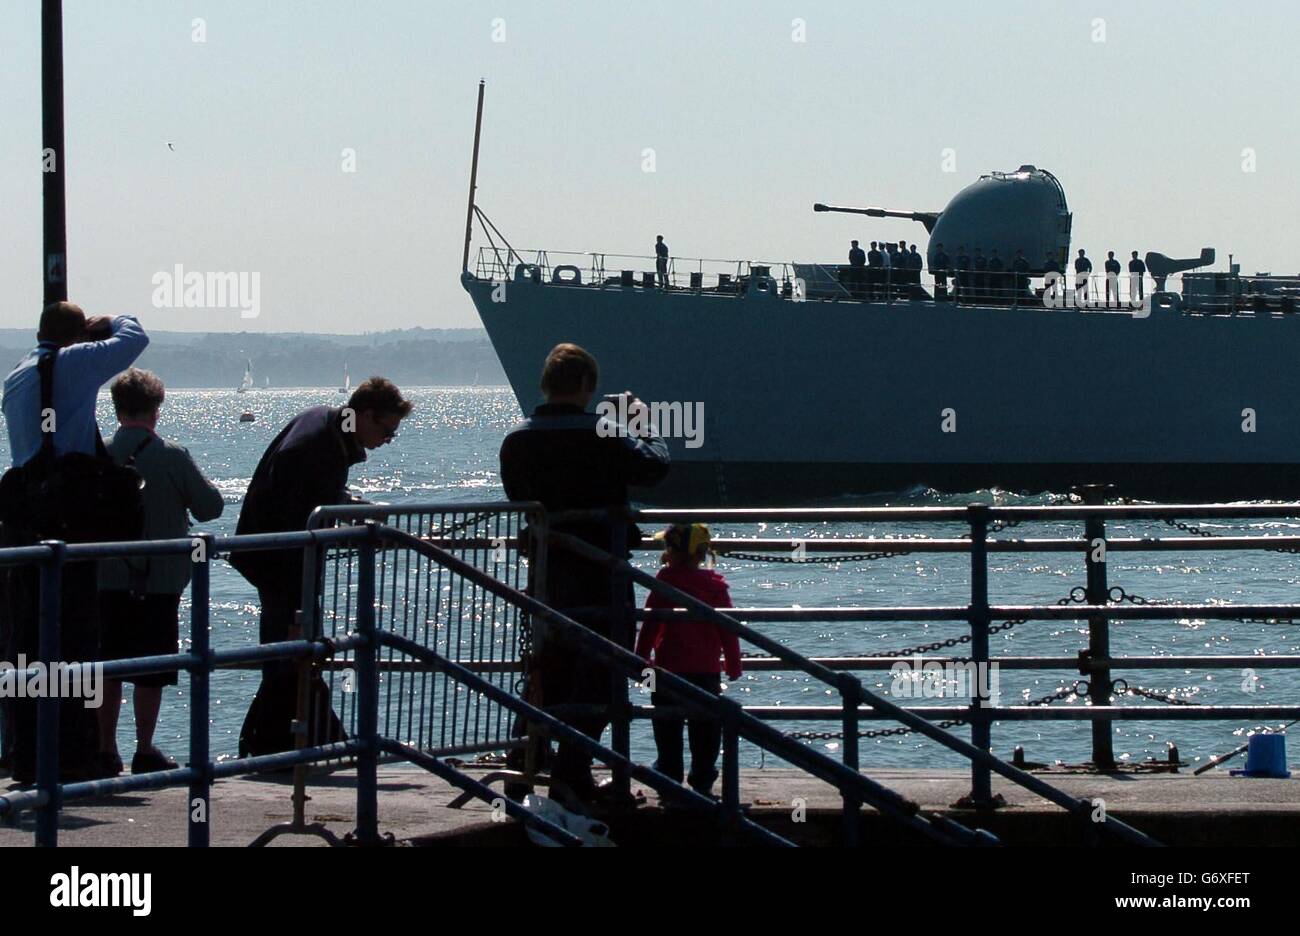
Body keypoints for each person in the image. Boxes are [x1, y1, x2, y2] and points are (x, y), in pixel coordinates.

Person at [499, 343, 669, 803]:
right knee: (604, 668)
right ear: (588, 387)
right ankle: (573, 769)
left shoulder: (517, 440)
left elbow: (519, 498)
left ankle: (526, 756)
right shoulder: (607, 434)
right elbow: (655, 466)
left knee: (549, 666)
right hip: (601, 570)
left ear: (545, 384)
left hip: (548, 574)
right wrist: (642, 425)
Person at [0, 303, 148, 783]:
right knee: (78, 634)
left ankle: (28, 750)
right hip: (72, 516)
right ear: (76, 337)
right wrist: (110, 321)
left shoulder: (17, 376)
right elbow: (135, 338)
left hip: (26, 514)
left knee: (28, 637)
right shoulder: (76, 361)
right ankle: (75, 752)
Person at [230, 377, 412, 757]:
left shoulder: (323, 425)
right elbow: (299, 518)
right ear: (365, 414)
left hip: (276, 558)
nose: (388, 440)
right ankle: (277, 745)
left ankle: (279, 742)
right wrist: (356, 533)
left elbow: (313, 498)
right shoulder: (320, 447)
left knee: (292, 653)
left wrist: (353, 509)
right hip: (284, 564)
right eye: (387, 430)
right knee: (292, 651)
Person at [96, 369, 224, 776]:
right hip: (161, 582)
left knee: (107, 668)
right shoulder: (172, 455)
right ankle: (144, 748)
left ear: (117, 410)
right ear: (156, 409)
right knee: (151, 671)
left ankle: (104, 749)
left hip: (106, 579)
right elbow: (210, 507)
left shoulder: (97, 453)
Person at [635, 523, 741, 796]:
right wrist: (733, 663)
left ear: (671, 552)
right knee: (706, 726)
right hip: (706, 670)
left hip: (668, 668)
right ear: (703, 553)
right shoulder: (715, 586)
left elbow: (650, 625)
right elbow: (727, 629)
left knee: (666, 723)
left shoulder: (664, 583)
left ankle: (669, 771)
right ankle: (702, 775)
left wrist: (640, 658)